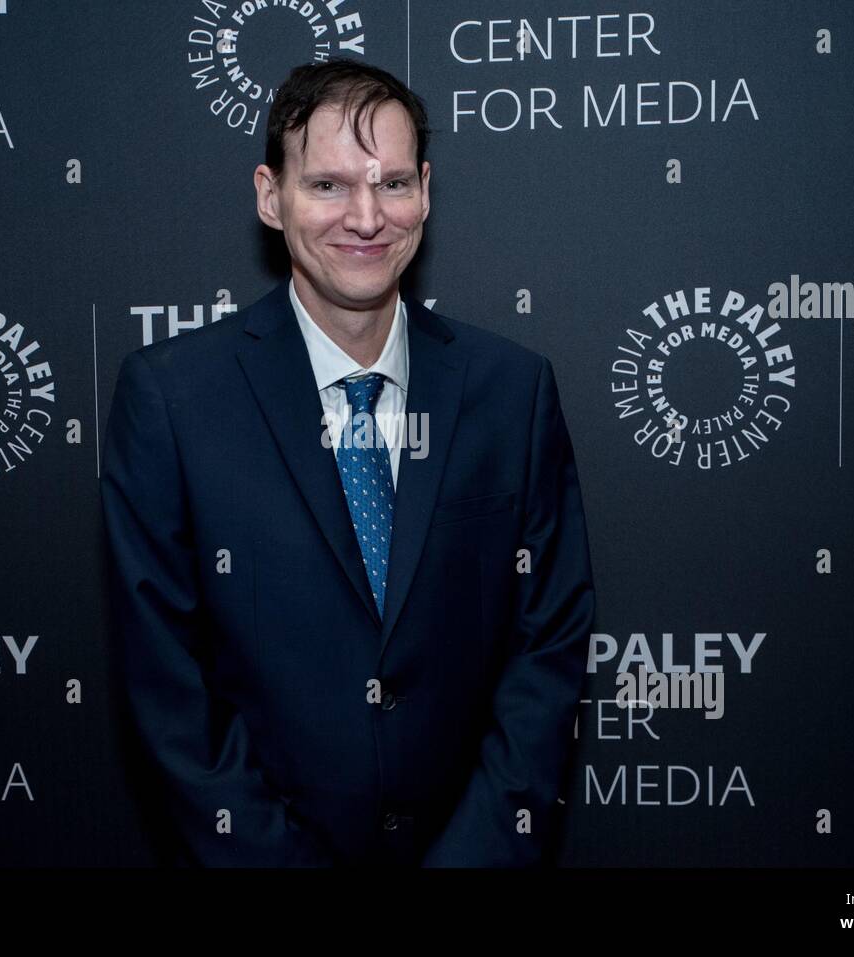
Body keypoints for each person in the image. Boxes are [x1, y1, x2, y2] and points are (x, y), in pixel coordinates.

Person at [100, 58, 596, 866]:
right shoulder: (171, 401)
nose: (366, 217)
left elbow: (548, 645)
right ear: (271, 195)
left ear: (425, 192)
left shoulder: (513, 391)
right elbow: (168, 692)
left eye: (392, 183)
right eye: (328, 185)